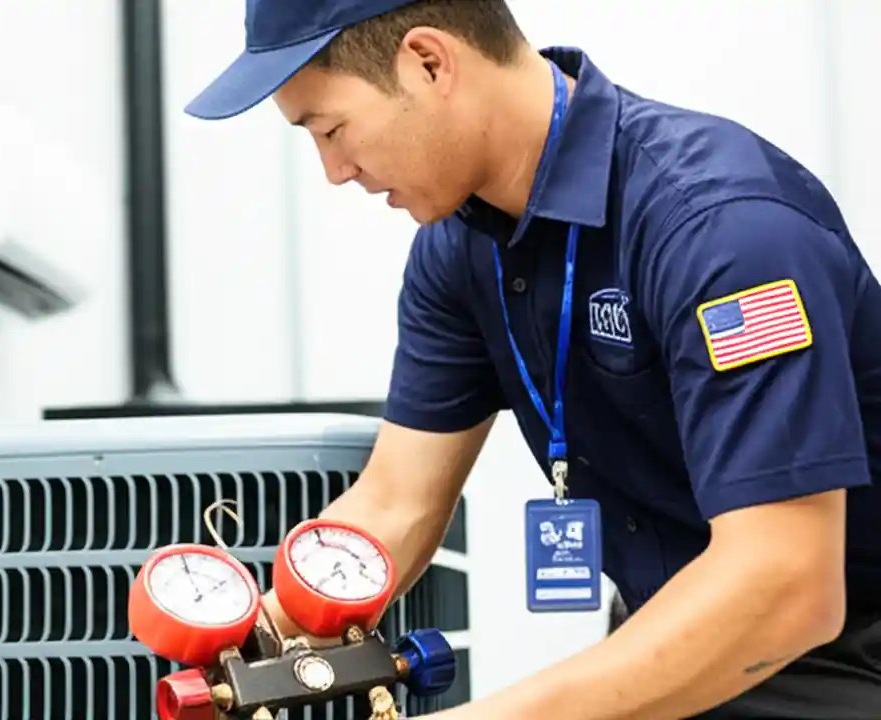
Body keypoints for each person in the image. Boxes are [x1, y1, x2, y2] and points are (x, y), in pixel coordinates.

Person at [183, 1, 881, 718]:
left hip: (840, 671)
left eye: (332, 129)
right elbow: (396, 502)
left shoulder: (720, 228)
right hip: (671, 657)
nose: (334, 171)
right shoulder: (457, 249)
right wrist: (244, 644)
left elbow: (789, 582)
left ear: (429, 62)